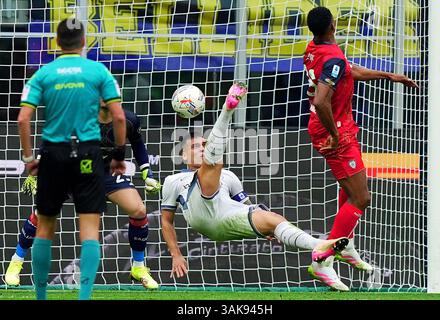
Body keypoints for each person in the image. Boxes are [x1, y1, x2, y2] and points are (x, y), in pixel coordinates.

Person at [161, 82, 349, 284]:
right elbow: (166, 221)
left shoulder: (229, 176)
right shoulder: (174, 181)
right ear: (182, 155)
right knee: (213, 164)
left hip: (225, 218)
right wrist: (176, 255)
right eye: (195, 146)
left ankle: (320, 251)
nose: (200, 148)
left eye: (203, 145)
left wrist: (263, 224)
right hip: (201, 215)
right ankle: (227, 109)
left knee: (273, 219)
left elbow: (245, 207)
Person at [304, 6, 419, 291]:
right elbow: (320, 101)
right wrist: (333, 134)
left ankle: (343, 243)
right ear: (333, 24)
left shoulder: (317, 47)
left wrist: (389, 76)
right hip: (335, 132)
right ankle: (323, 258)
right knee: (361, 198)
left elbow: (348, 70)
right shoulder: (331, 57)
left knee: (354, 190)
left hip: (340, 127)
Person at [17, 18, 127, 300]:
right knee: (89, 228)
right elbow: (118, 116)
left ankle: (41, 297)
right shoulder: (98, 71)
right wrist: (118, 155)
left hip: (53, 153)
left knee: (45, 226)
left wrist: (30, 157)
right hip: (89, 154)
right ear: (82, 42)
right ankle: (84, 296)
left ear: (56, 41)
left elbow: (23, 118)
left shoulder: (43, 74)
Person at [6, 102, 161, 289]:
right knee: (42, 214)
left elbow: (137, 143)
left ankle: (138, 267)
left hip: (104, 173)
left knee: (138, 209)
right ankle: (16, 262)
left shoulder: (128, 120)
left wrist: (147, 174)